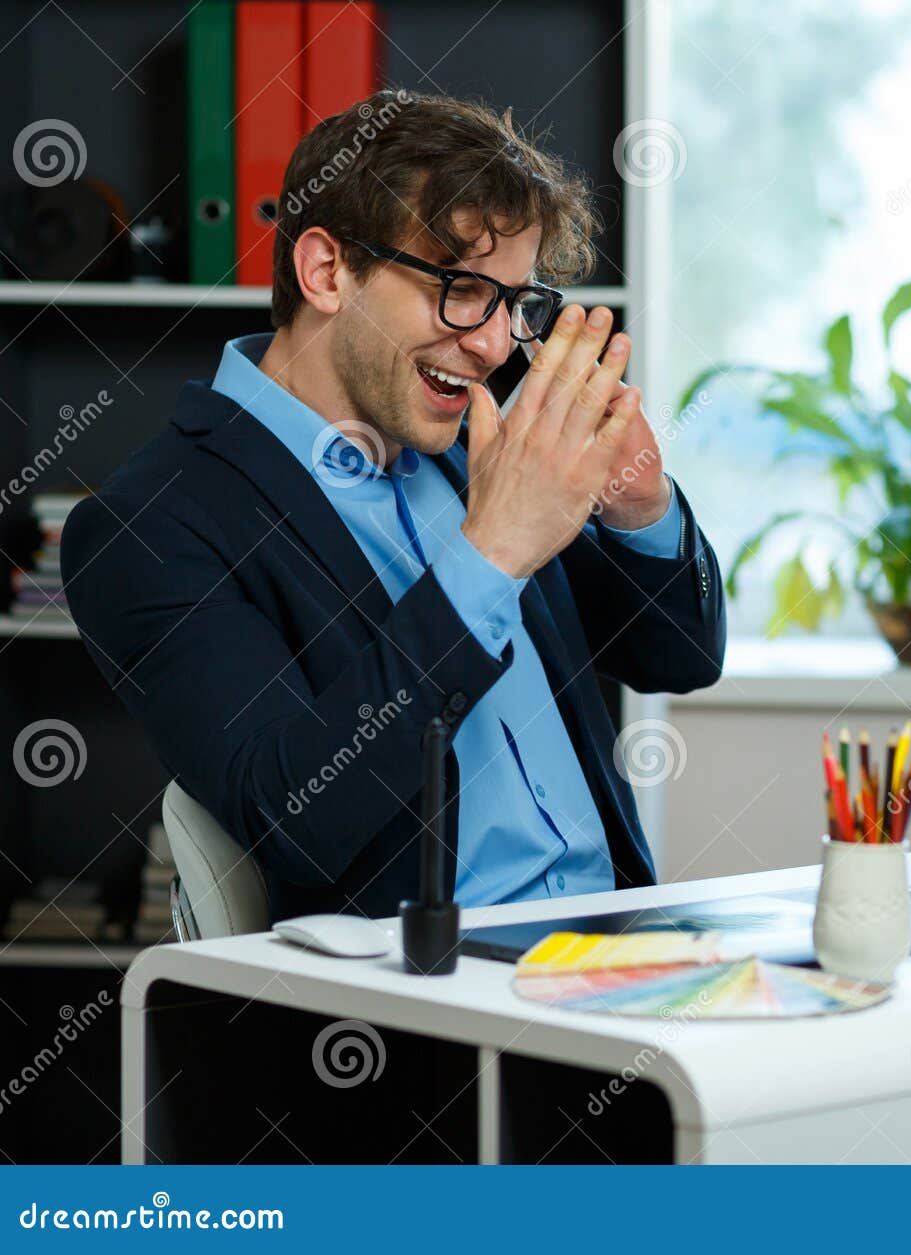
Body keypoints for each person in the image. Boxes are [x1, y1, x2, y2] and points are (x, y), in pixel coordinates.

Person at [61, 91, 725, 921]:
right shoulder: (147, 527)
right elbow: (295, 818)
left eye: (512, 303)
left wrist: (639, 501)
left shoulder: (462, 447)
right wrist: (489, 556)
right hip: (434, 1009)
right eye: (458, 287)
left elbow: (680, 659)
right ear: (326, 271)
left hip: (623, 945)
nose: (490, 344)